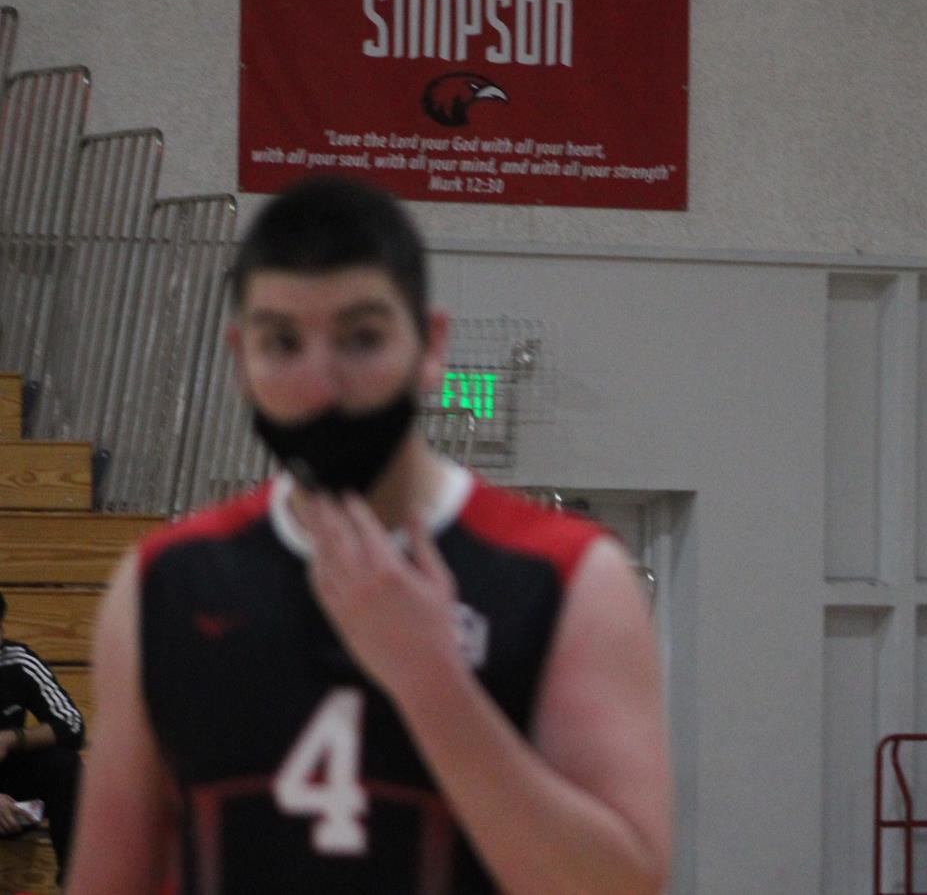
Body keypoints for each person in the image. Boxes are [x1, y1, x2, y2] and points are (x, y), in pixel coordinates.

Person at [66, 176, 673, 894]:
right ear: (240, 357)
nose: (322, 380)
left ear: (430, 344)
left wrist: (431, 683)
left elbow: (620, 883)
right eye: (282, 340)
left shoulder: (568, 575)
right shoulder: (164, 582)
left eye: (362, 336)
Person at [0, 589, 86, 883]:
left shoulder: (17, 661)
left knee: (65, 764)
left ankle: (77, 883)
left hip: (12, 791)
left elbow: (72, 724)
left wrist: (11, 738)